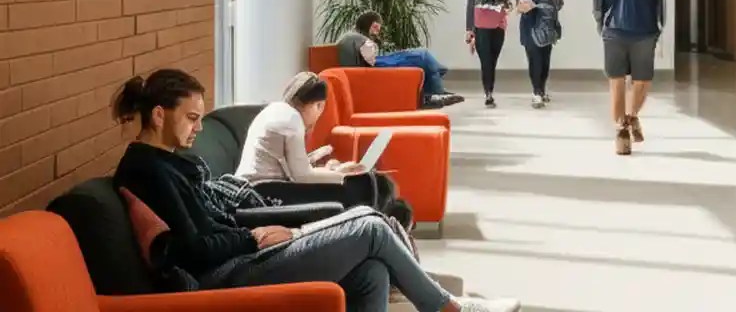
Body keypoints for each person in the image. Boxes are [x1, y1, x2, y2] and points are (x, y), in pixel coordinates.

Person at [111, 69, 520, 312]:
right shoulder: (148, 170)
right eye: (192, 118)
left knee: (369, 270)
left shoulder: (175, 160)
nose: (198, 128)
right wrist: (252, 237)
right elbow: (191, 250)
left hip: (239, 254)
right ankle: (448, 307)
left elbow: (222, 218)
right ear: (159, 114)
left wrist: (270, 225)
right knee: (370, 228)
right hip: (223, 276)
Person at [236, 72, 413, 228]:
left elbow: (293, 171)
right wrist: (341, 175)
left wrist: (332, 170)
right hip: (262, 193)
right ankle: (384, 228)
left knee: (363, 182)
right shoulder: (291, 119)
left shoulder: (277, 111)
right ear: (317, 105)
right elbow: (302, 176)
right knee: (364, 185)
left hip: (260, 188)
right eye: (320, 108)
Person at [592, 0, 665, 155]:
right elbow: (599, 1)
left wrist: (659, 28)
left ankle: (632, 117)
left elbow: (659, 1)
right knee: (617, 82)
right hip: (614, 33)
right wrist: (601, 26)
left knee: (642, 81)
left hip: (645, 33)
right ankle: (621, 130)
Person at [337, 12, 463, 108]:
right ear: (368, 24)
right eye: (375, 27)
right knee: (421, 55)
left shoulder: (350, 36)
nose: (377, 31)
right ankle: (437, 86)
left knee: (418, 55)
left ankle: (437, 78)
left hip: (369, 65)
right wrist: (374, 43)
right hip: (374, 66)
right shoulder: (362, 40)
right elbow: (370, 60)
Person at [515, 0, 563, 108]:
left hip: (546, 25)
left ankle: (542, 89)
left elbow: (555, 0)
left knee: (544, 60)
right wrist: (523, 7)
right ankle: (536, 92)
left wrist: (539, 5)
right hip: (529, 25)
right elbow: (519, 3)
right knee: (533, 59)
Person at [464, 0, 512, 108]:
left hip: (497, 30)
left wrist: (507, 9)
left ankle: (489, 89)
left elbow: (508, 5)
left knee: (492, 61)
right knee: (486, 62)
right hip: (481, 30)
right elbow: (470, 10)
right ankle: (488, 93)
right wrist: (469, 31)